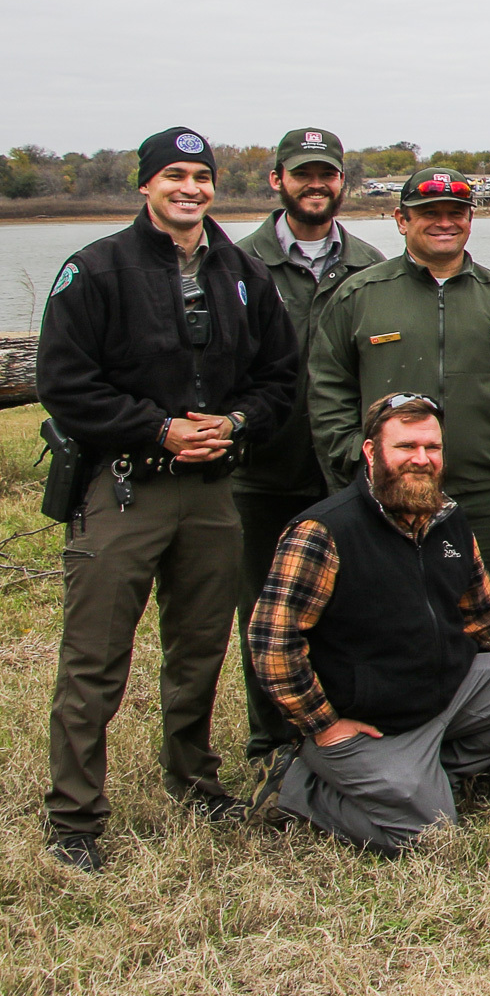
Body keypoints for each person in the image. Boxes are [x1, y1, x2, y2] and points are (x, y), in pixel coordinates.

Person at [33, 126, 299, 871]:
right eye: (175, 175)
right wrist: (158, 428)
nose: (191, 188)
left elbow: (281, 376)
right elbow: (65, 383)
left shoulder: (244, 271)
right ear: (145, 184)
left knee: (199, 646)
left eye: (202, 176)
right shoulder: (95, 270)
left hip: (213, 493)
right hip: (124, 487)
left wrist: (236, 422)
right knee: (95, 657)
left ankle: (193, 777)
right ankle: (75, 815)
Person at [248, 394, 490, 853]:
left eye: (432, 447)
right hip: (368, 719)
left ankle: (424, 776)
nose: (421, 459)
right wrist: (324, 724)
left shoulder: (448, 520)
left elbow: (484, 612)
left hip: (441, 695)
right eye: (405, 447)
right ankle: (295, 785)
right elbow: (272, 641)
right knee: (429, 837)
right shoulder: (324, 532)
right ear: (371, 453)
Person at [309, 167, 490, 618]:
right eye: (429, 212)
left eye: (456, 212)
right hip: (389, 494)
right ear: (401, 220)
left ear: (471, 220)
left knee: (488, 626)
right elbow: (327, 395)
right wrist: (360, 462)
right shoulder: (358, 297)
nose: (444, 222)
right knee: (394, 624)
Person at [231, 127, 385, 767]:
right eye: (303, 173)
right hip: (264, 470)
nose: (316, 184)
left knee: (349, 605)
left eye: (327, 173)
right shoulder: (238, 264)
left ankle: (349, 726)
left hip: (347, 469)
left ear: (341, 181)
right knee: (265, 611)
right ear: (278, 180)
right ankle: (271, 741)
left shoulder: (371, 264)